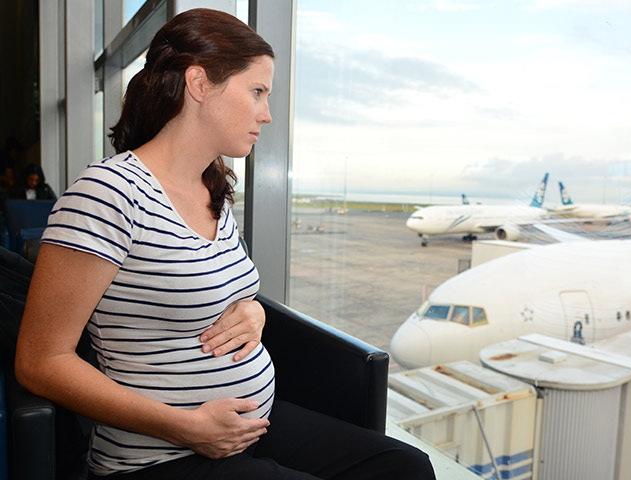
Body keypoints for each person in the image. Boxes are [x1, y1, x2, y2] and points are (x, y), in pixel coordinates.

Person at [15, 8, 435, 480]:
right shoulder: (108, 193)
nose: (267, 113)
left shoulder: (212, 190)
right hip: (162, 454)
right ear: (199, 84)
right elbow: (40, 362)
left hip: (245, 428)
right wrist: (187, 428)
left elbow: (212, 292)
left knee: (406, 467)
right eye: (257, 91)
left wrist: (253, 312)